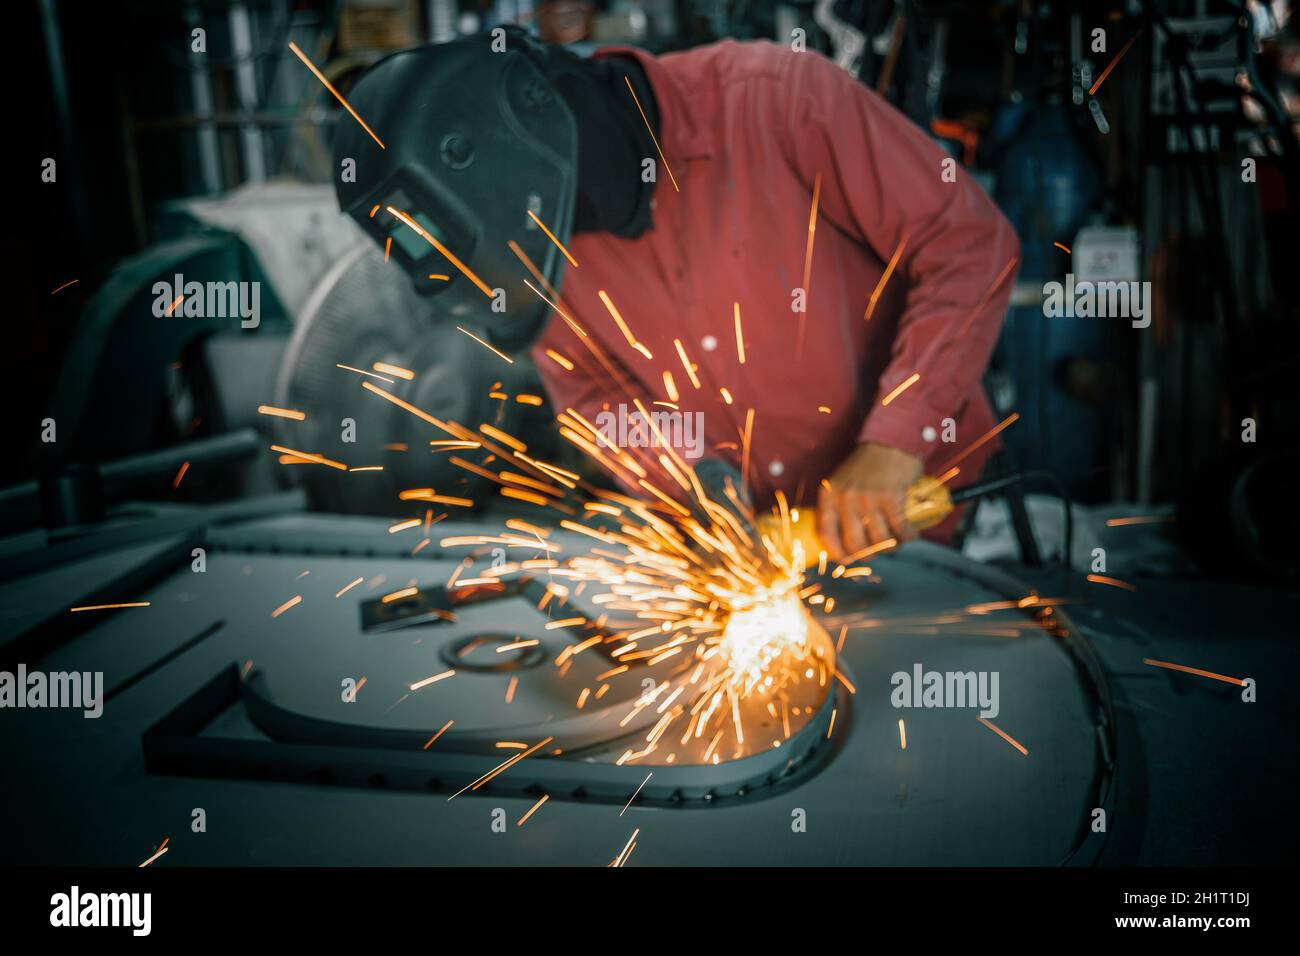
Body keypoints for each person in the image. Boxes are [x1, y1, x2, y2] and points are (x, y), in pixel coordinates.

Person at [332, 28, 1019, 560]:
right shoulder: (531, 244)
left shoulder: (783, 104)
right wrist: (690, 481)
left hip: (930, 510)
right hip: (770, 554)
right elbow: (595, 399)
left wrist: (896, 441)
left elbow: (968, 246)